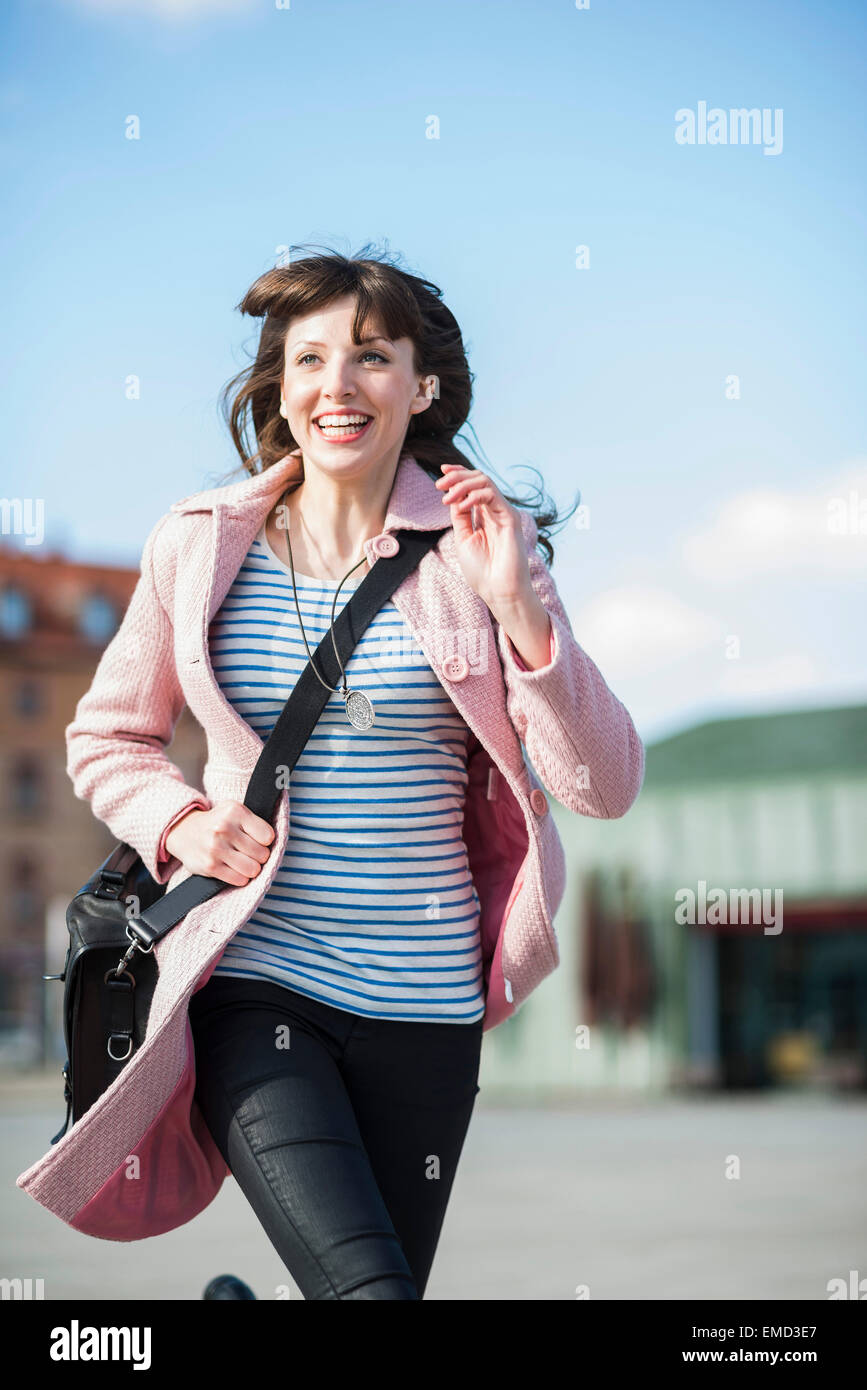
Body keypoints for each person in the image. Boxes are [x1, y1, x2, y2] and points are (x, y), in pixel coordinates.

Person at [17, 244, 645, 1298]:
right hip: (257, 981)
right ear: (278, 386)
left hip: (427, 1005)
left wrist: (523, 613)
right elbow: (107, 738)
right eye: (308, 360)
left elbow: (604, 783)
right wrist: (180, 822)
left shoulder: (484, 550)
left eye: (370, 356)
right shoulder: (200, 544)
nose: (336, 386)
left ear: (421, 383)